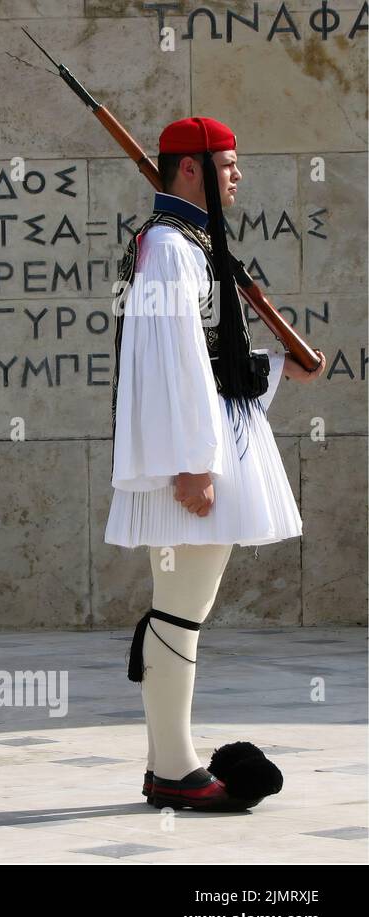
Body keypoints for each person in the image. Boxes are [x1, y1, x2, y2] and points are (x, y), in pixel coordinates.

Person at [105, 116, 325, 811]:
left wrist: (276, 365)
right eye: (227, 164)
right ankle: (173, 768)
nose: (238, 174)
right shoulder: (170, 247)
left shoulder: (187, 243)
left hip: (198, 447)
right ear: (191, 168)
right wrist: (193, 463)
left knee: (182, 612)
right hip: (190, 459)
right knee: (179, 614)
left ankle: (164, 763)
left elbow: (210, 357)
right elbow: (171, 361)